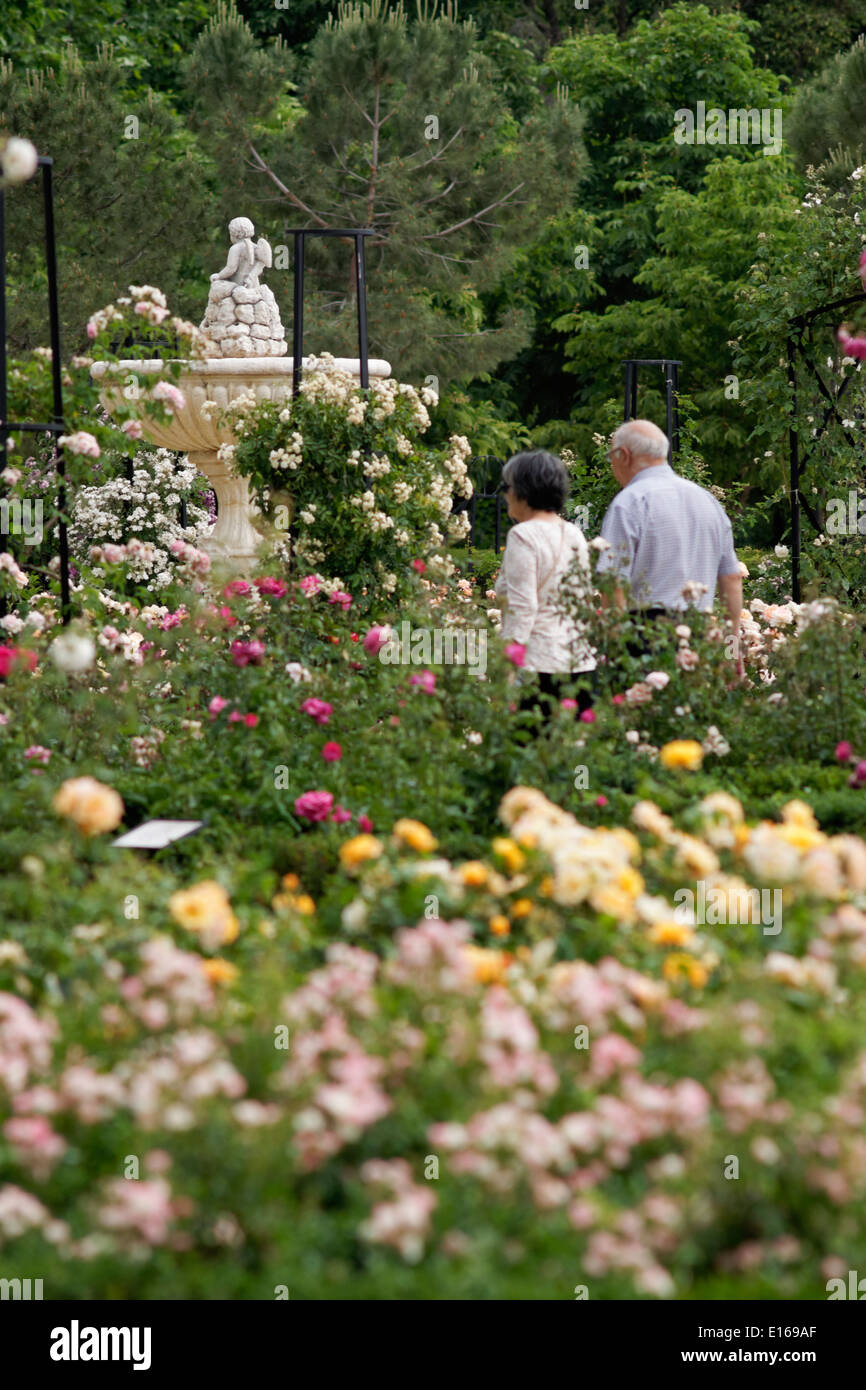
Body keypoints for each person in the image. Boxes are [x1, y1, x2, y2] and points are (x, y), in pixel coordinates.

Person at [596, 420, 743, 671]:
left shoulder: (629, 502)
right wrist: (733, 650)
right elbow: (732, 578)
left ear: (623, 455)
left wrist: (616, 648)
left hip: (645, 636)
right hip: (701, 633)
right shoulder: (707, 500)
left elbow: (613, 583)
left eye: (611, 456)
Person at [494, 449, 596, 718]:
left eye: (506, 486)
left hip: (539, 668)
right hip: (579, 663)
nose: (504, 494)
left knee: (528, 754)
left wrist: (504, 676)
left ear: (523, 491)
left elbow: (522, 609)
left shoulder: (523, 536)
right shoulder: (574, 533)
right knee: (572, 756)